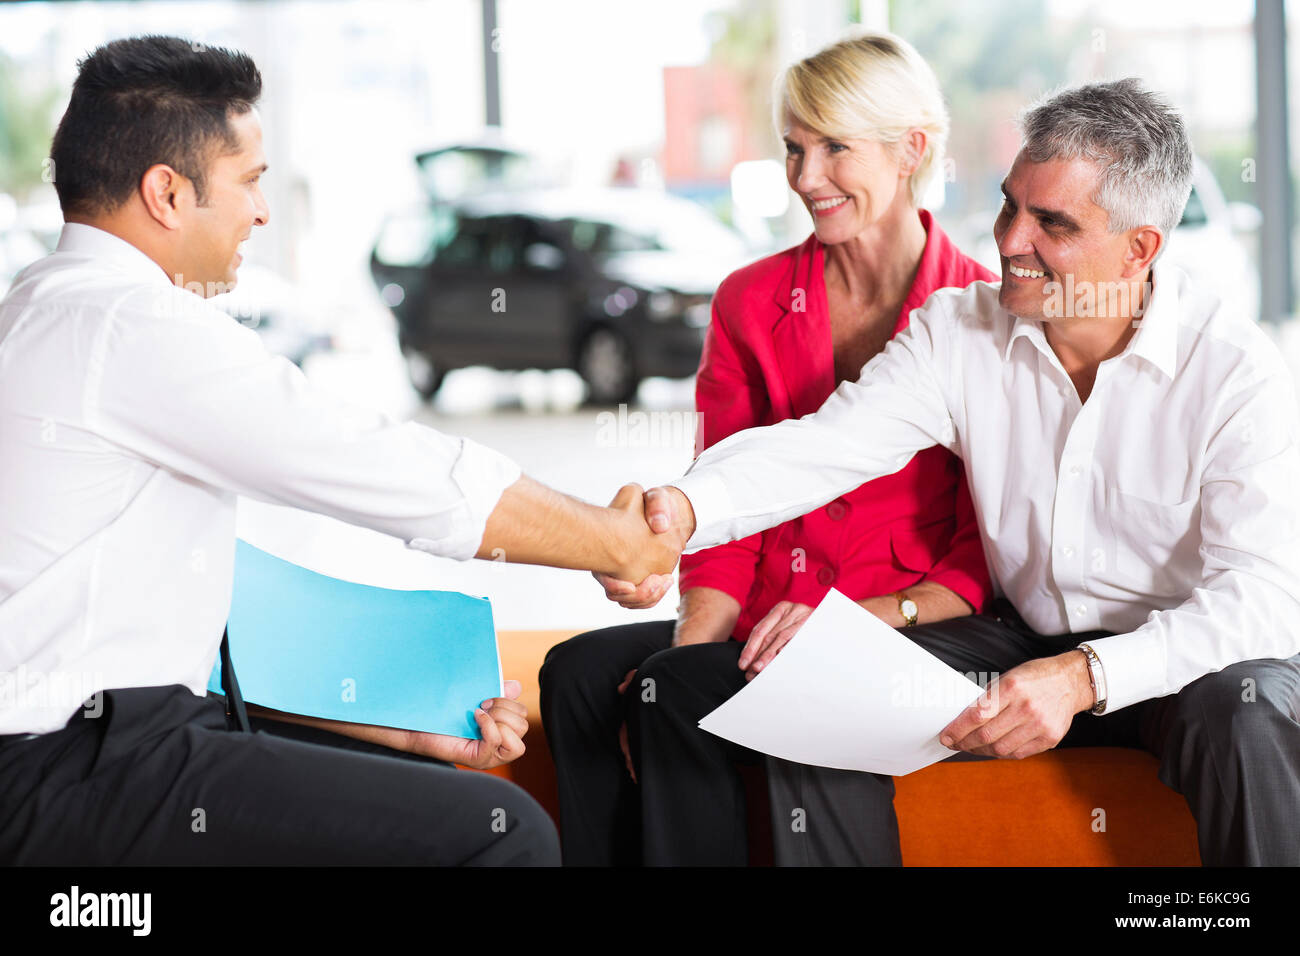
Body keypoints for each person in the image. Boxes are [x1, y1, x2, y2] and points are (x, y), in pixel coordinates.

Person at [0, 35, 679, 866]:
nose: (263, 211)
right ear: (167, 194)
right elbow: (383, 467)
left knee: (450, 800)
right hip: (72, 769)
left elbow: (172, 606)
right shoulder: (129, 327)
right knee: (502, 837)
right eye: (249, 181)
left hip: (92, 745)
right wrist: (614, 543)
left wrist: (398, 724)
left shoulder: (41, 310)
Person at [633, 78, 1300, 867]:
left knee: (1247, 713)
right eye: (1008, 205)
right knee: (816, 689)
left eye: (1051, 222)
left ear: (1140, 248)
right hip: (1022, 638)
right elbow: (824, 447)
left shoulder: (1234, 369)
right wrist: (680, 505)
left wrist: (1085, 677)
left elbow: (1261, 598)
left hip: (1192, 660)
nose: (1009, 241)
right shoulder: (959, 329)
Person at [541, 33, 994, 866]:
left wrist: (848, 623)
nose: (806, 177)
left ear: (911, 152)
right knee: (578, 675)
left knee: (670, 690)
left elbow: (981, 550)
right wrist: (692, 644)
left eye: (833, 148)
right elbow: (727, 498)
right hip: (762, 607)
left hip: (903, 622)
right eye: (793, 148)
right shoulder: (750, 301)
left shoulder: (978, 310)